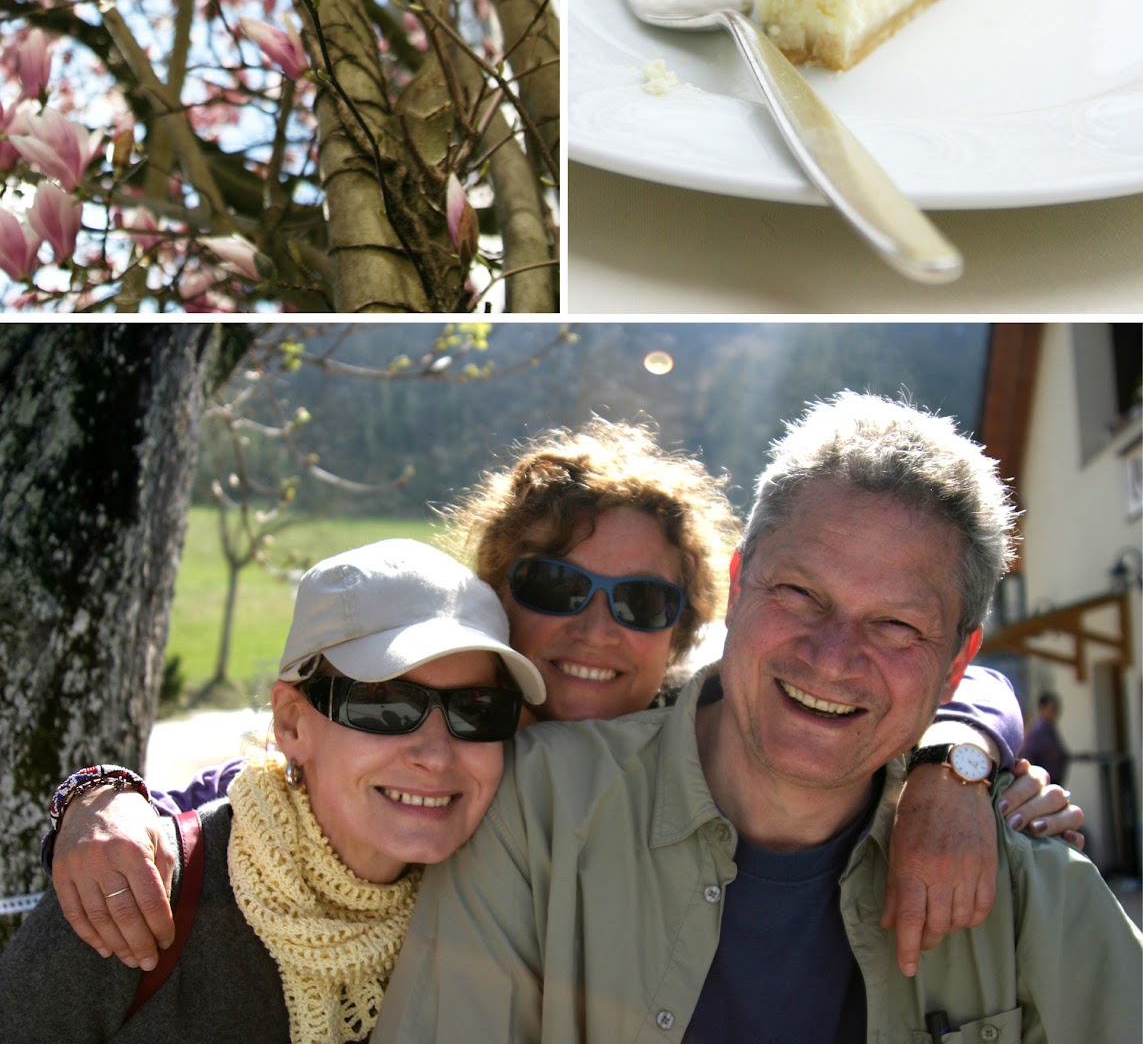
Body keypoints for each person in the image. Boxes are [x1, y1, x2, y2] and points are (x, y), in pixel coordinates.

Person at [42, 421, 1080, 982]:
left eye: (640, 601)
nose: (594, 628)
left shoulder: (713, 736)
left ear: (688, 624)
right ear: (494, 597)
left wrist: (957, 761)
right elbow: (260, 784)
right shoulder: (437, 735)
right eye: (553, 586)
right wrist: (103, 797)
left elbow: (943, 669)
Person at [373, 394, 1141, 1044]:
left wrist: (959, 761)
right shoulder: (523, 805)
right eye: (800, 594)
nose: (832, 659)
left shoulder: (1028, 887)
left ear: (954, 661)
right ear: (739, 587)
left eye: (896, 626)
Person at [0, 538, 545, 1042]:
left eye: (477, 710)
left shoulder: (496, 919)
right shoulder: (131, 891)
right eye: (386, 705)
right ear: (291, 723)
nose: (436, 755)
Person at [1019, 691, 1070, 786]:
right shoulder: (1038, 731)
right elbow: (1028, 755)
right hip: (1042, 783)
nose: (1055, 713)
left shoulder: (1050, 729)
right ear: (1042, 709)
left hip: (1053, 781)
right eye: (1051, 709)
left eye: (1056, 709)